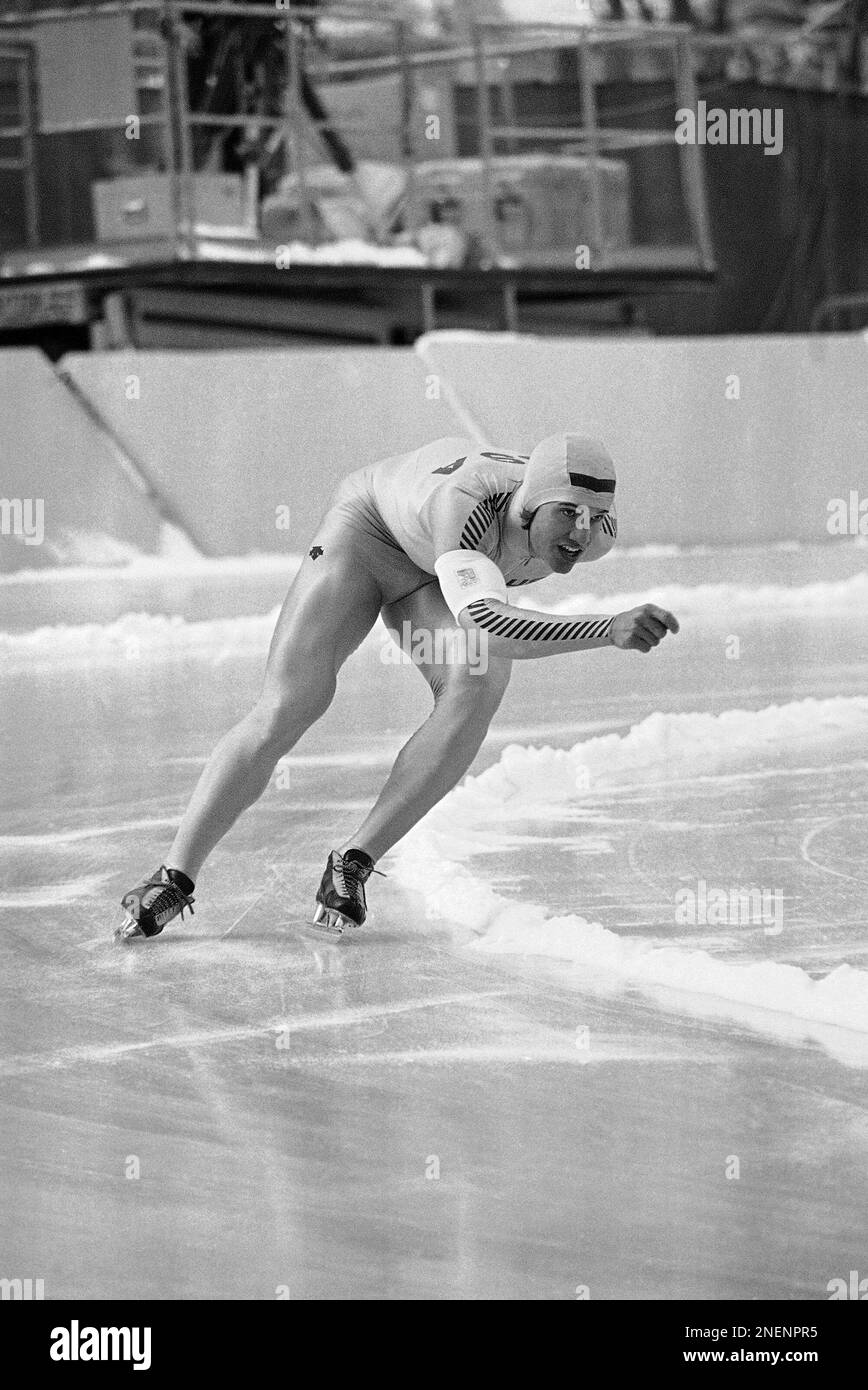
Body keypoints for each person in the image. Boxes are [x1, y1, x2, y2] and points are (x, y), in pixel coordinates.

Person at [116, 433, 679, 940]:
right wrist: (607, 628)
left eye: (593, 516)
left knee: (478, 681)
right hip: (369, 537)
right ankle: (174, 875)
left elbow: (483, 626)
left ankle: (353, 861)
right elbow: (488, 622)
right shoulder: (471, 510)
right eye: (567, 514)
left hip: (436, 580)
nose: (581, 533)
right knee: (293, 702)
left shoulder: (596, 534)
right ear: (529, 505)